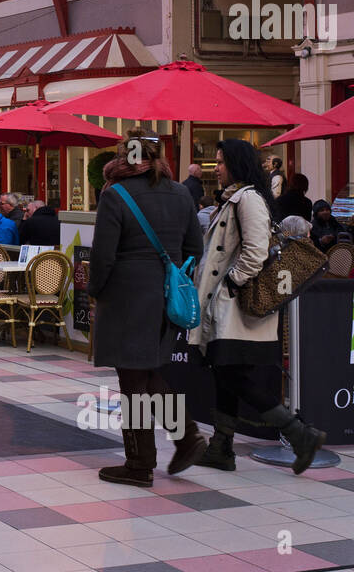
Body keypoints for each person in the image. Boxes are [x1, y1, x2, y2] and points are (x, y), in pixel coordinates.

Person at [190, 138, 326, 475]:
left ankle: (299, 433)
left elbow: (255, 250)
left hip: (236, 308)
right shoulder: (235, 198)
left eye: (220, 161)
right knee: (225, 373)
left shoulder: (248, 199)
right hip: (225, 306)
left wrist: (233, 283)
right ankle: (221, 447)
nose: (216, 167)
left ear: (236, 164)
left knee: (234, 376)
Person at [88, 131, 206, 487]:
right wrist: (169, 272)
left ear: (126, 156)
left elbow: (103, 256)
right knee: (147, 372)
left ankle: (140, 464)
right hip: (166, 297)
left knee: (133, 380)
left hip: (126, 297)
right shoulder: (181, 192)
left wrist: (95, 292)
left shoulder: (116, 194)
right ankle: (185, 438)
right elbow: (194, 249)